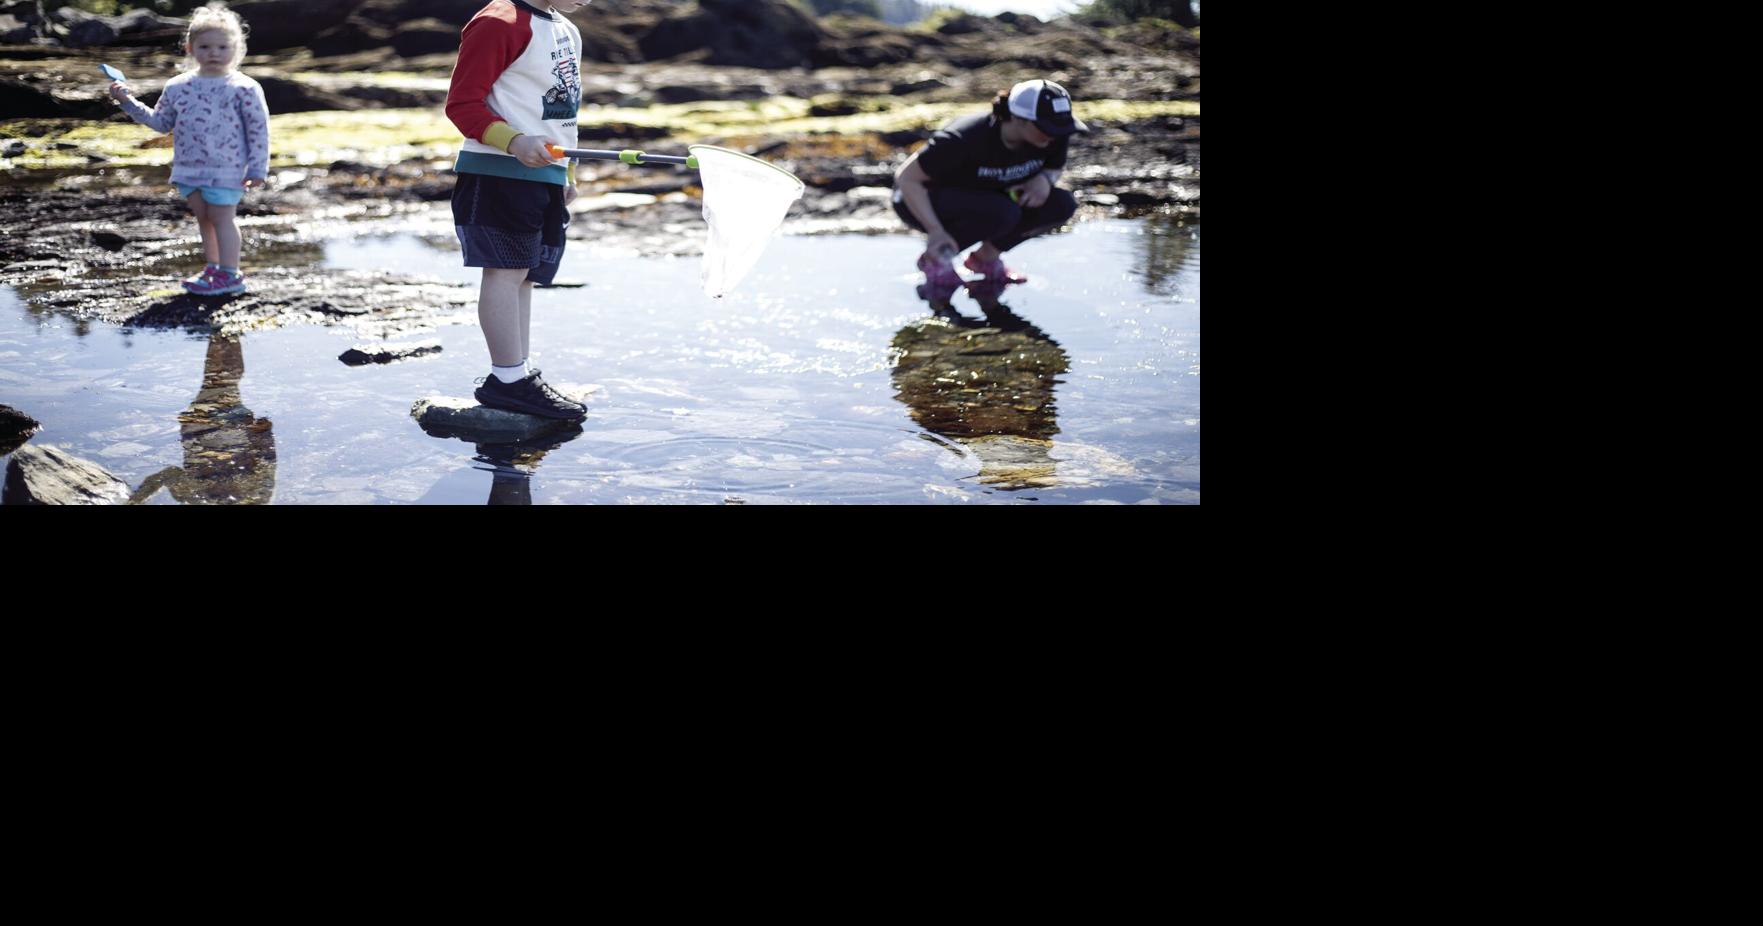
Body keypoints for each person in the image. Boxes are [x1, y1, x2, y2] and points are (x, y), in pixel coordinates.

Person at [445, 0, 591, 421]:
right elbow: (462, 104)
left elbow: (567, 115)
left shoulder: (566, 28)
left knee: (525, 274)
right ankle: (507, 379)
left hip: (546, 175)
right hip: (500, 172)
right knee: (505, 272)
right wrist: (513, 142)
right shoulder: (499, 21)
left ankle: (519, 373)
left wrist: (569, 173)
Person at [110, 2, 269, 297]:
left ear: (236, 49)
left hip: (228, 169)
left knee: (223, 218)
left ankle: (230, 274)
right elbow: (160, 123)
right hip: (189, 168)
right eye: (205, 46)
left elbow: (258, 130)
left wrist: (258, 168)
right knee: (204, 219)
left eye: (222, 47)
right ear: (190, 48)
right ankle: (213, 267)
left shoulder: (245, 88)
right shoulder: (177, 86)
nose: (213, 53)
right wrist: (127, 102)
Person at [893, 78, 1086, 304]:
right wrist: (935, 230)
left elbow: (1054, 167)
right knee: (1003, 212)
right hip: (921, 200)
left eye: (1061, 127)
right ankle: (937, 259)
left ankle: (985, 259)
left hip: (989, 196)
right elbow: (907, 179)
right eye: (1048, 128)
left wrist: (1045, 179)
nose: (1055, 135)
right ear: (1017, 118)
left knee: (1061, 204)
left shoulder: (1053, 135)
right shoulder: (964, 138)